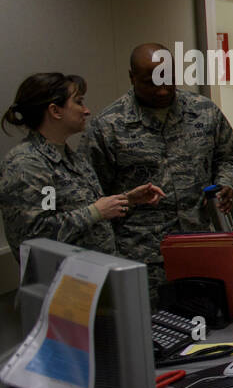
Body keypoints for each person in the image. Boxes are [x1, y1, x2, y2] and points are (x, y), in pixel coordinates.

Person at [82, 43, 233, 294]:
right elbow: (92, 194)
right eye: (151, 82)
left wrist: (227, 183)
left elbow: (229, 157)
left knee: (210, 327)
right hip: (143, 259)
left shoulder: (203, 111)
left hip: (202, 247)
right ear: (131, 77)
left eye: (168, 77)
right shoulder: (108, 126)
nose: (162, 89)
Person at [1, 73, 163, 256]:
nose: (86, 110)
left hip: (93, 273)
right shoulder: (28, 164)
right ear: (55, 111)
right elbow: (35, 235)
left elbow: (77, 208)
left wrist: (126, 200)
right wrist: (95, 212)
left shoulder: (72, 157)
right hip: (62, 280)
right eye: (78, 102)